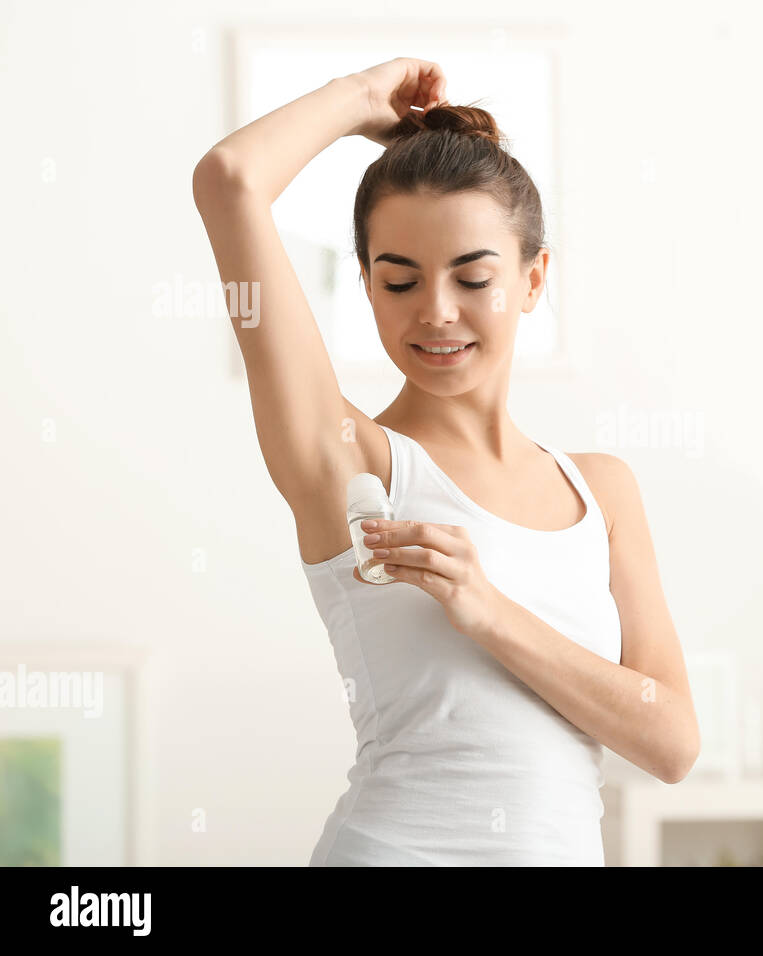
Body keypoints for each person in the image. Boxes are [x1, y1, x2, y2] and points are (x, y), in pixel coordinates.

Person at [192, 57, 700, 865]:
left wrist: (487, 610)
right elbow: (230, 179)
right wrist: (361, 99)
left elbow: (671, 743)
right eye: (398, 281)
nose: (436, 312)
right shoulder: (350, 461)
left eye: (473, 277)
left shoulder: (602, 491)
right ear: (364, 285)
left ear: (533, 280)